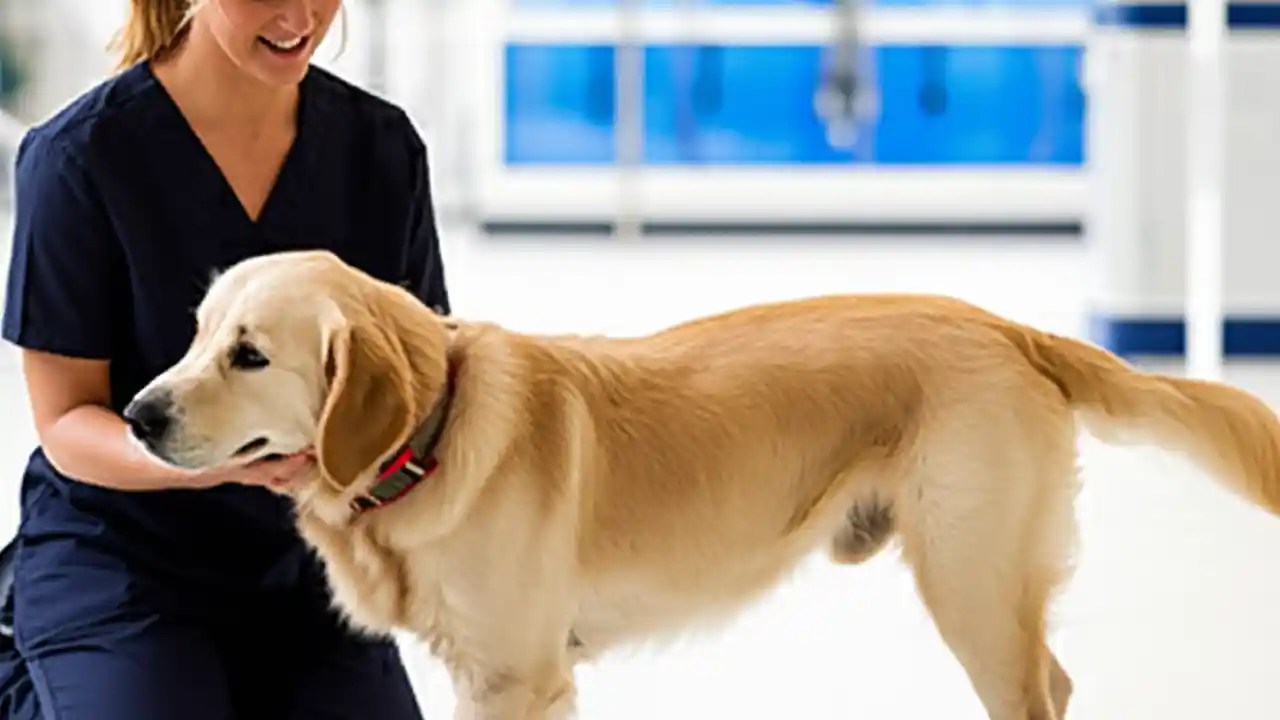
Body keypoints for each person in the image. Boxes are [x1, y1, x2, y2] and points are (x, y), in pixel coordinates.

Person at [0, 0, 450, 717]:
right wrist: (215, 462)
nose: (300, 15)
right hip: (124, 567)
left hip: (312, 572)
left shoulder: (381, 149)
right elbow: (65, 423)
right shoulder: (80, 157)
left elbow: (425, 383)